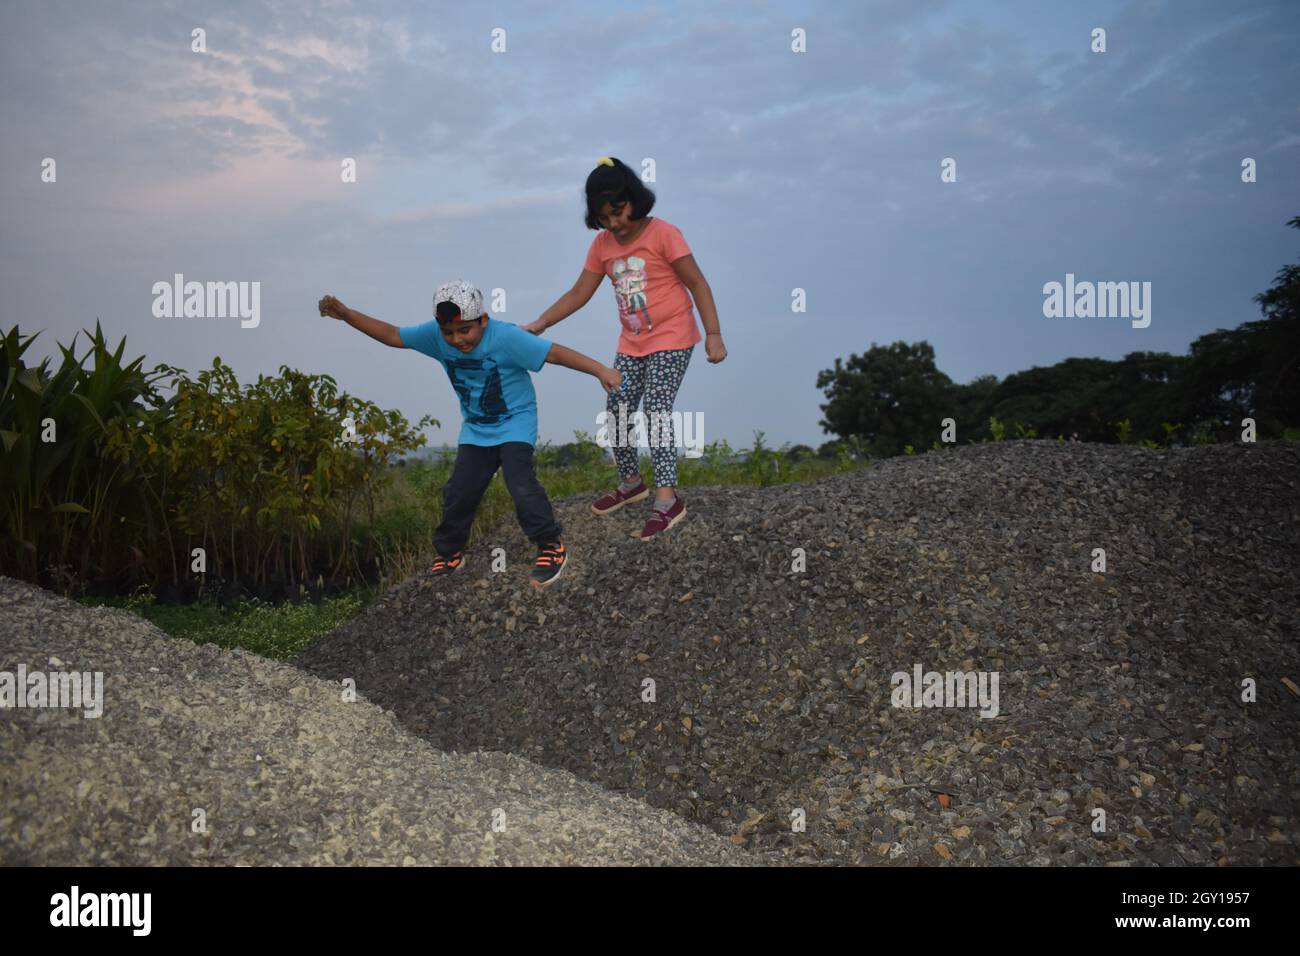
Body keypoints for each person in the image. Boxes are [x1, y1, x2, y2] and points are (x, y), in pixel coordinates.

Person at [319, 280, 621, 587]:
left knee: (521, 486)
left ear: (483, 320)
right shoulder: (435, 336)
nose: (457, 339)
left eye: (465, 330)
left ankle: (550, 546)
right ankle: (450, 552)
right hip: (476, 430)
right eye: (449, 333)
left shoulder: (505, 337)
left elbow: (554, 353)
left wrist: (600, 370)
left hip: (515, 423)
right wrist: (347, 314)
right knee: (459, 492)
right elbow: (393, 335)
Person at [524, 156, 727, 541]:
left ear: (633, 199)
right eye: (605, 217)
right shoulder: (601, 246)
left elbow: (697, 282)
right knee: (617, 407)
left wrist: (713, 333)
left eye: (619, 212)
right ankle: (632, 482)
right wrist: (540, 323)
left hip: (673, 334)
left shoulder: (664, 234)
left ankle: (668, 499)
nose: (614, 223)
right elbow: (579, 292)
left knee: (656, 407)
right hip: (632, 342)